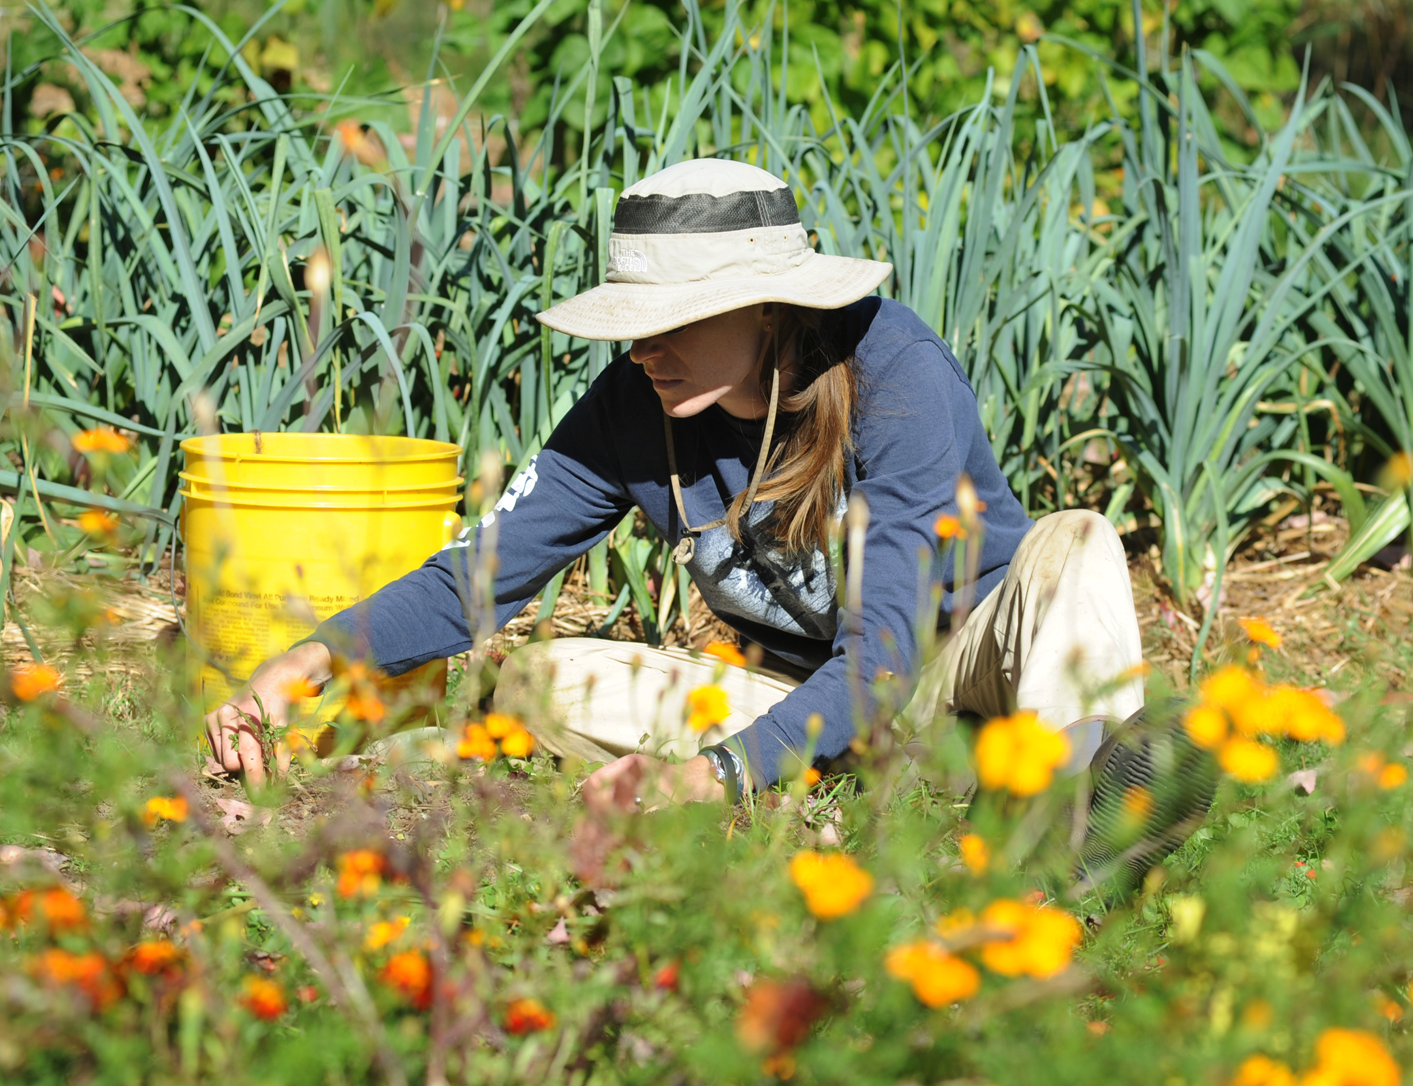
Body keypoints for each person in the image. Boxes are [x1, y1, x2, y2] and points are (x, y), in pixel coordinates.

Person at [203, 158, 1147, 810]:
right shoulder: (633, 404)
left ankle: (1074, 811)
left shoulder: (894, 374)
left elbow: (890, 653)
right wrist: (310, 661)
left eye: (672, 320)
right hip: (808, 697)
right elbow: (477, 577)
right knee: (541, 683)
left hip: (970, 664)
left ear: (771, 309)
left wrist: (714, 778)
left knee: (1078, 547)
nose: (641, 347)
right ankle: (941, 785)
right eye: (631, 323)